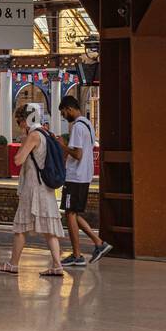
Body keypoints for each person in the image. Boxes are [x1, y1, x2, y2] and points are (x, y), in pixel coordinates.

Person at [0, 109, 66, 277]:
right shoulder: (46, 134)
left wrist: (23, 143)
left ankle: (13, 264)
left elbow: (18, 160)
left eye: (19, 122)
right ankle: (57, 265)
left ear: (25, 121)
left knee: (21, 227)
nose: (20, 127)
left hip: (33, 188)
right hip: (45, 187)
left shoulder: (33, 136)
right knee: (49, 229)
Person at [57, 95, 111, 266]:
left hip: (75, 177)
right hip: (84, 176)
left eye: (64, 112)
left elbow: (77, 155)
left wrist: (61, 145)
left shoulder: (78, 127)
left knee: (70, 213)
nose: (64, 116)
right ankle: (98, 243)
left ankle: (78, 254)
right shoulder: (88, 125)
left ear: (70, 109)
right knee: (72, 212)